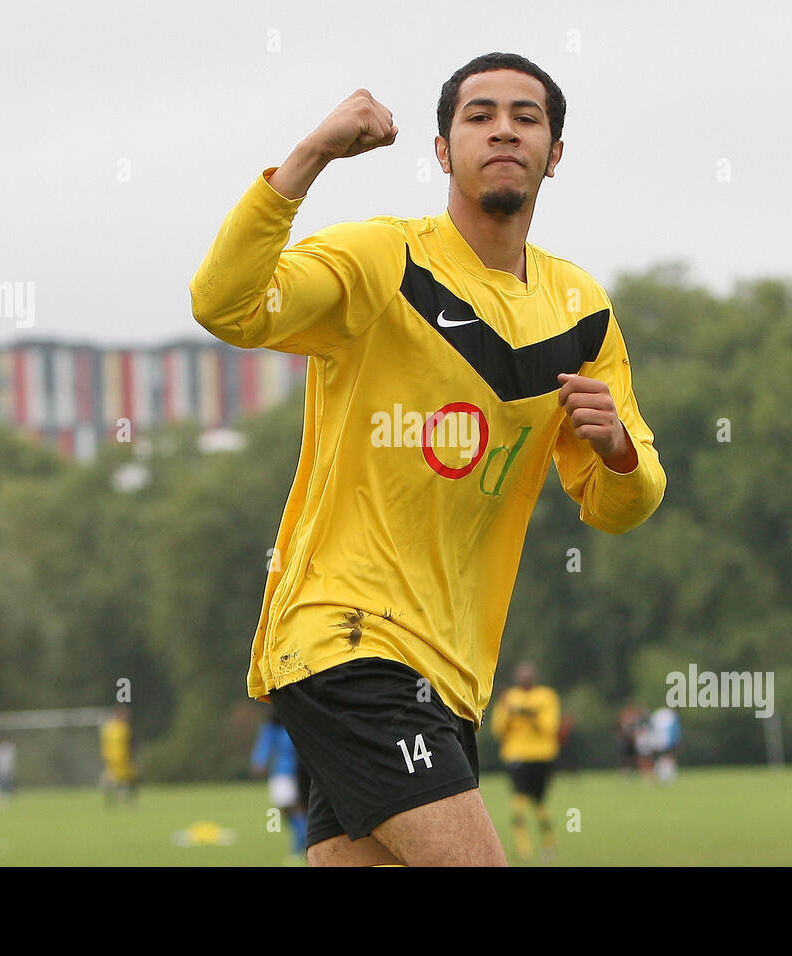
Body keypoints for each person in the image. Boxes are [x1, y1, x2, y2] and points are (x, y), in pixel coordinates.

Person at [189, 52, 666, 866]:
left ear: (555, 153)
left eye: (527, 116)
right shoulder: (384, 260)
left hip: (450, 680)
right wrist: (307, 158)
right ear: (443, 151)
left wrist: (618, 447)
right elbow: (226, 304)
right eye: (478, 116)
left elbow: (620, 505)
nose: (503, 129)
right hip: (349, 639)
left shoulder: (582, 312)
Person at [491, 662, 560, 861]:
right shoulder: (509, 697)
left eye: (528, 675)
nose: (525, 679)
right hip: (516, 756)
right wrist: (509, 712)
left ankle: (548, 844)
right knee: (518, 801)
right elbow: (499, 729)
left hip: (541, 755)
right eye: (521, 676)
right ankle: (524, 848)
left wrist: (525, 712)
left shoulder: (546, 696)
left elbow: (549, 727)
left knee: (540, 804)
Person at [250, 711, 310, 862]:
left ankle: (301, 846)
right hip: (297, 770)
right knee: (294, 809)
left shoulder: (275, 722)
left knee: (294, 809)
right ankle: (302, 844)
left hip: (287, 771)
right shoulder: (289, 718)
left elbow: (266, 742)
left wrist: (259, 761)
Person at [100, 704, 137, 806]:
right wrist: (106, 757)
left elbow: (131, 745)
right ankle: (110, 802)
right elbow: (105, 744)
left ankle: (130, 802)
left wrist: (132, 759)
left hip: (124, 760)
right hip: (112, 761)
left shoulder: (125, 729)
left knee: (129, 781)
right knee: (107, 782)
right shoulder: (108, 729)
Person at [649, 705, 681, 785]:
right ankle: (665, 775)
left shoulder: (658, 715)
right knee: (668, 758)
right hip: (668, 741)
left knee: (663, 758)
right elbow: (674, 730)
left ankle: (661, 775)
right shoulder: (671, 716)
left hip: (658, 741)